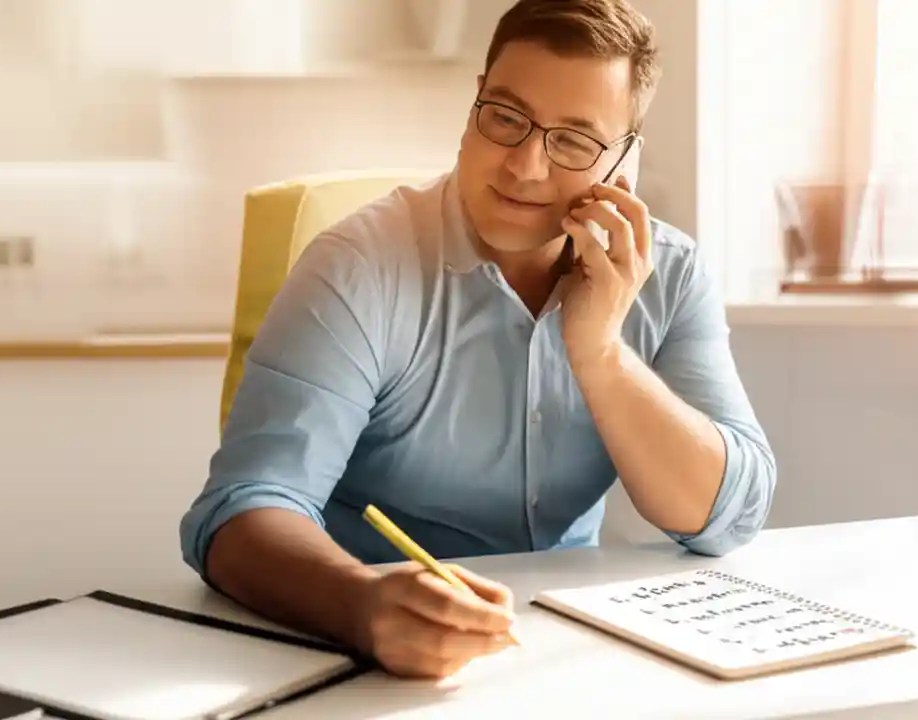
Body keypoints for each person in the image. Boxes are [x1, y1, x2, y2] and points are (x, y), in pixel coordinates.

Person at [180, 0, 776, 680]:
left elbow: (728, 517)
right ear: (474, 108)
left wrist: (600, 350)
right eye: (505, 116)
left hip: (558, 655)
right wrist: (365, 605)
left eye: (574, 141)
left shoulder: (668, 274)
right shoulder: (358, 266)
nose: (524, 165)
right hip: (360, 655)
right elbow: (238, 517)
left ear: (624, 166)